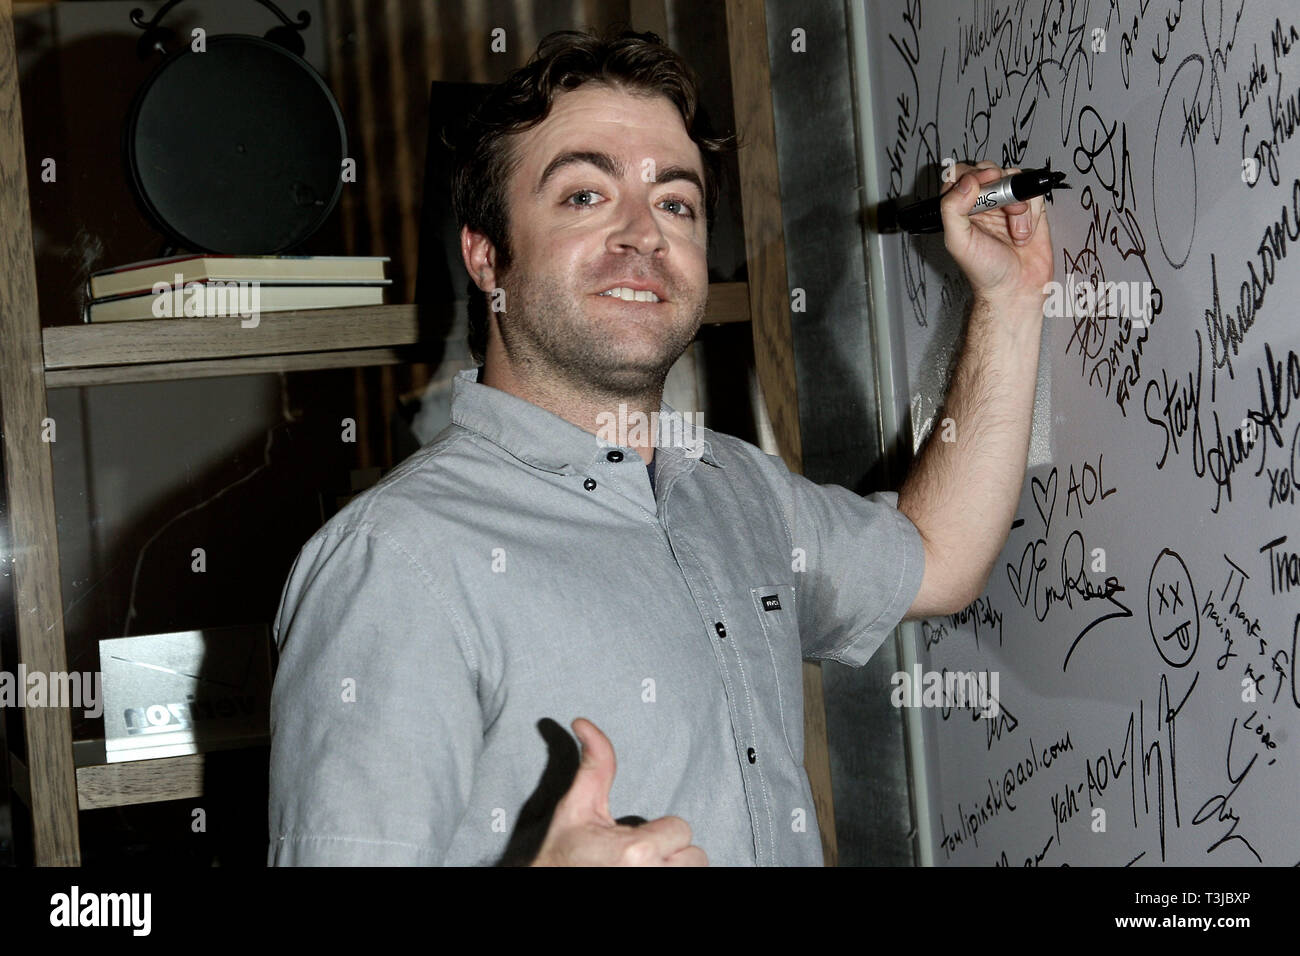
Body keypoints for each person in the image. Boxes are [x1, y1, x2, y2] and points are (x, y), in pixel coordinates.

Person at [267, 26, 1053, 867]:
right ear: (487, 258)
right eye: (584, 196)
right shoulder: (391, 564)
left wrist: (1009, 300)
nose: (643, 233)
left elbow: (937, 558)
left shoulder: (734, 488)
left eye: (675, 203)